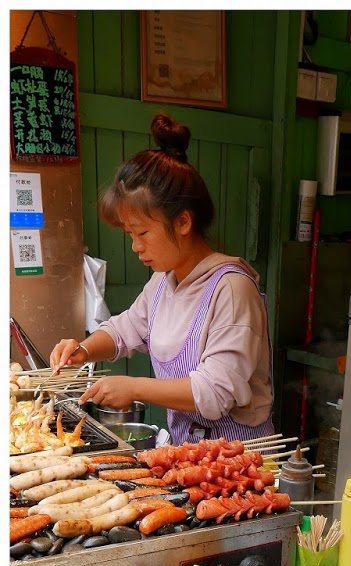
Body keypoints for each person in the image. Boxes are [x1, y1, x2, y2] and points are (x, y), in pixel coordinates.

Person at [49, 114, 274, 443]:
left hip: (239, 461)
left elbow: (215, 391)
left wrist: (135, 387)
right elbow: (125, 329)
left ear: (183, 221)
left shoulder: (232, 289)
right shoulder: (163, 282)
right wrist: (82, 351)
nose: (135, 246)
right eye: (130, 234)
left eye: (142, 232)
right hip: (188, 451)